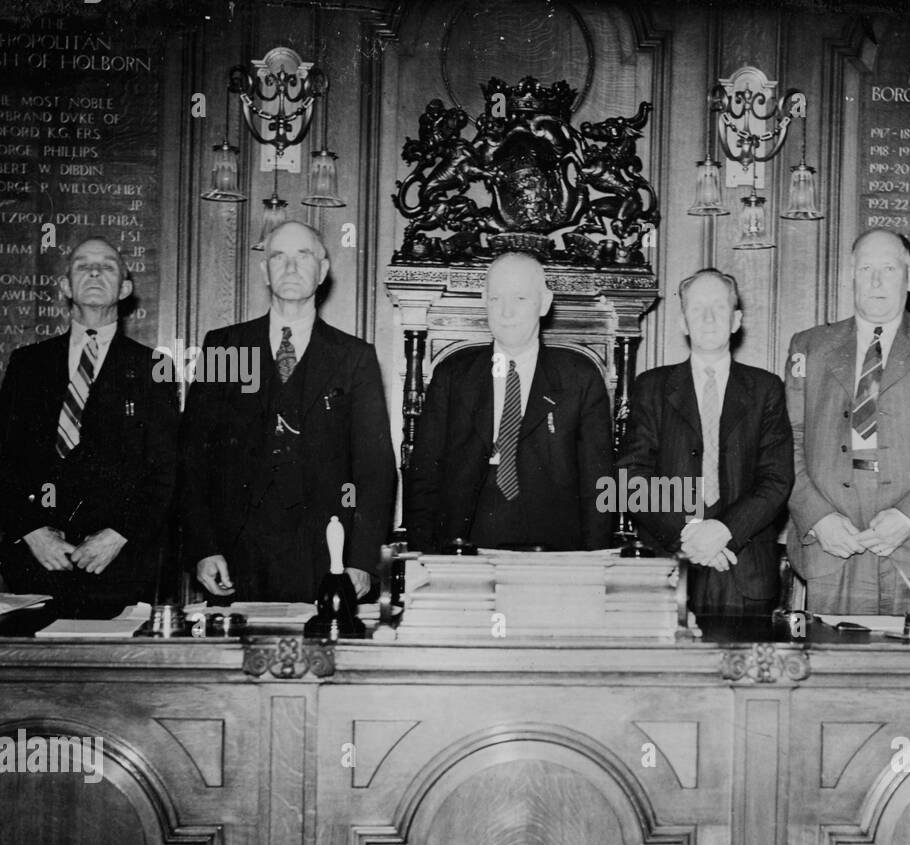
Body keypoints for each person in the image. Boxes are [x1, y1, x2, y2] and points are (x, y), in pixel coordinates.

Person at [179, 220, 395, 603]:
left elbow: (374, 468)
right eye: (278, 257)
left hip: (325, 554)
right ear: (264, 270)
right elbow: (193, 458)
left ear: (323, 271)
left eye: (303, 256)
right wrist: (203, 548)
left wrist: (361, 559)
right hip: (234, 554)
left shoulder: (353, 357)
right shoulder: (225, 347)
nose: (290, 268)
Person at [784, 229, 910, 614]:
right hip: (832, 550)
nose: (876, 280)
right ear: (852, 275)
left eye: (889, 269)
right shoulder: (808, 346)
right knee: (833, 670)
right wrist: (817, 518)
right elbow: (786, 441)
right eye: (866, 269)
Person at [0, 236, 178, 618]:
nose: (95, 272)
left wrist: (117, 536)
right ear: (65, 286)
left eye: (107, 266)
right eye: (82, 265)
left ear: (125, 289)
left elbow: (166, 469)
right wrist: (32, 532)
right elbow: (5, 460)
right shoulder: (28, 364)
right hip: (38, 563)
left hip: (120, 563)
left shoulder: (154, 367)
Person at [404, 251, 614, 551]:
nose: (506, 313)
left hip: (554, 552)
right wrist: (422, 558)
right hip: (463, 548)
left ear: (544, 303)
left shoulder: (579, 377)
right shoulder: (453, 374)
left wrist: (594, 565)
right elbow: (424, 477)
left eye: (520, 299)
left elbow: (598, 484)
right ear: (483, 300)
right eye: (496, 299)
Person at [617, 268, 793, 619]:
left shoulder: (766, 389)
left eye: (718, 307)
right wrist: (691, 532)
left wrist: (725, 530)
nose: (709, 317)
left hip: (744, 571)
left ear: (736, 320)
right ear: (683, 321)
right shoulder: (651, 386)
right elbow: (629, 479)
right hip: (670, 567)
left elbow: (776, 479)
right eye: (697, 308)